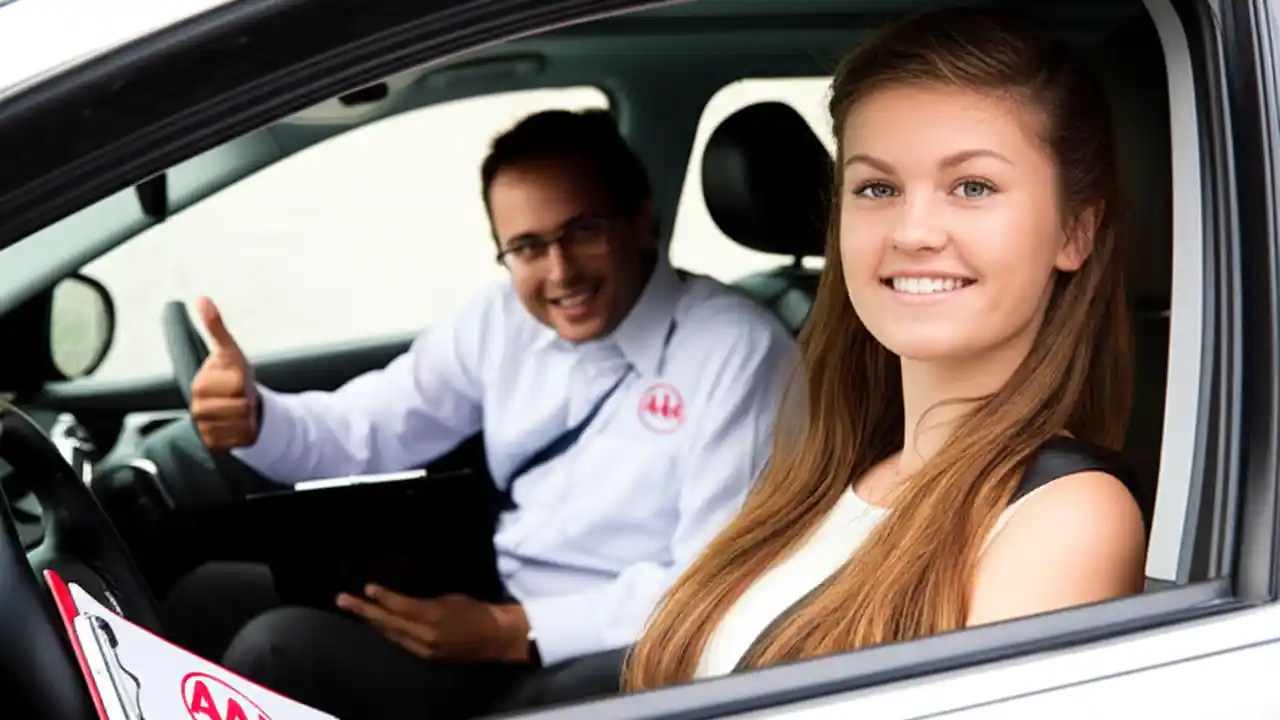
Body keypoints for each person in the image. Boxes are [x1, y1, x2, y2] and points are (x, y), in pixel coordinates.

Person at [162, 109, 797, 717]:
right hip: (495, 593)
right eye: (526, 247)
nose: (559, 272)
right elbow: (371, 427)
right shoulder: (502, 321)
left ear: (640, 220)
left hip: (594, 655)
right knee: (204, 595)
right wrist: (254, 418)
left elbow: (714, 585)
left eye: (583, 231)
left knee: (278, 651)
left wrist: (508, 631)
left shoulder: (737, 351)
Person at [623, 7, 1148, 689]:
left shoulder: (1068, 514)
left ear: (1073, 232)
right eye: (878, 187)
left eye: (972, 187)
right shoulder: (825, 473)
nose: (913, 231)